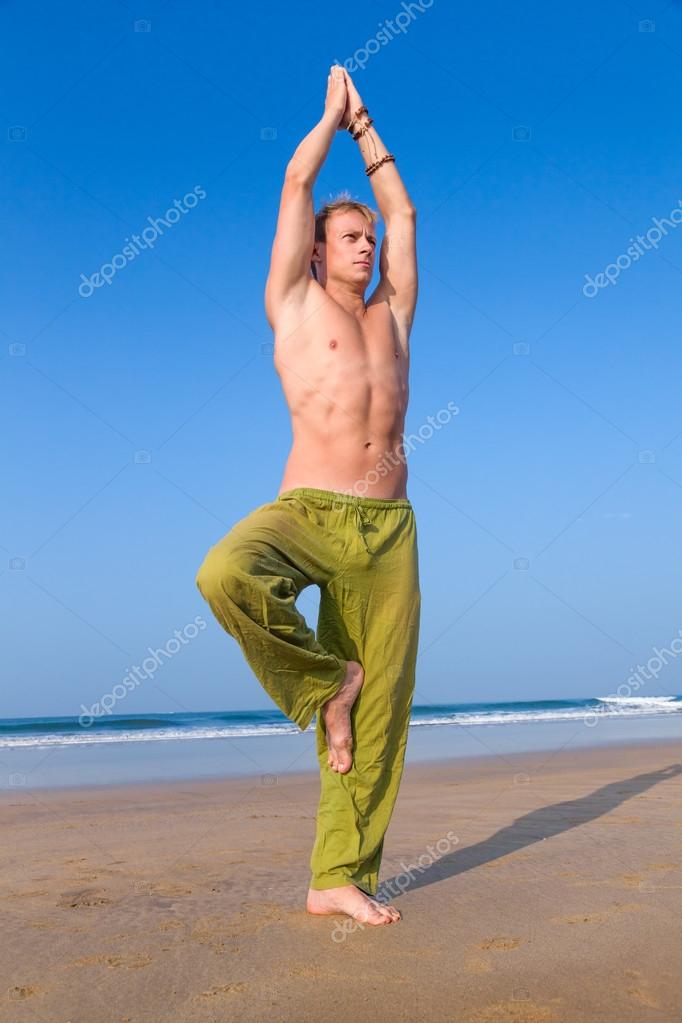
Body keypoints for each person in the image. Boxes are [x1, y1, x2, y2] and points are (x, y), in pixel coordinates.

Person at [195, 65, 420, 927]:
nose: (367, 246)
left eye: (370, 238)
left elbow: (404, 214)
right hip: (307, 514)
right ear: (320, 251)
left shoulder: (392, 316)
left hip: (389, 529)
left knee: (384, 714)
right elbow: (295, 181)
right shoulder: (291, 304)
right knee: (225, 573)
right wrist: (331, 119)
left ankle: (337, 876)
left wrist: (371, 136)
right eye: (351, 237)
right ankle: (324, 681)